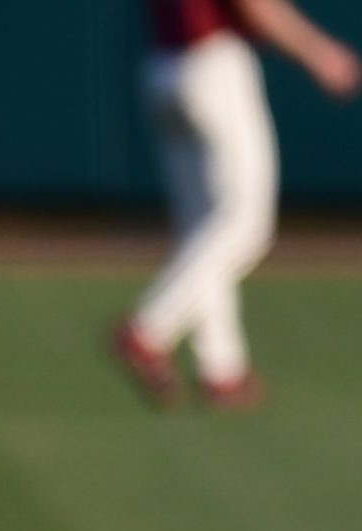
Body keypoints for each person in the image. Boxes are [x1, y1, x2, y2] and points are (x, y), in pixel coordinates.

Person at [113, 0, 359, 409]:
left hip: (163, 68)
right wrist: (319, 51)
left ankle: (221, 368)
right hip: (213, 64)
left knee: (202, 230)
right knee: (246, 223)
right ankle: (149, 329)